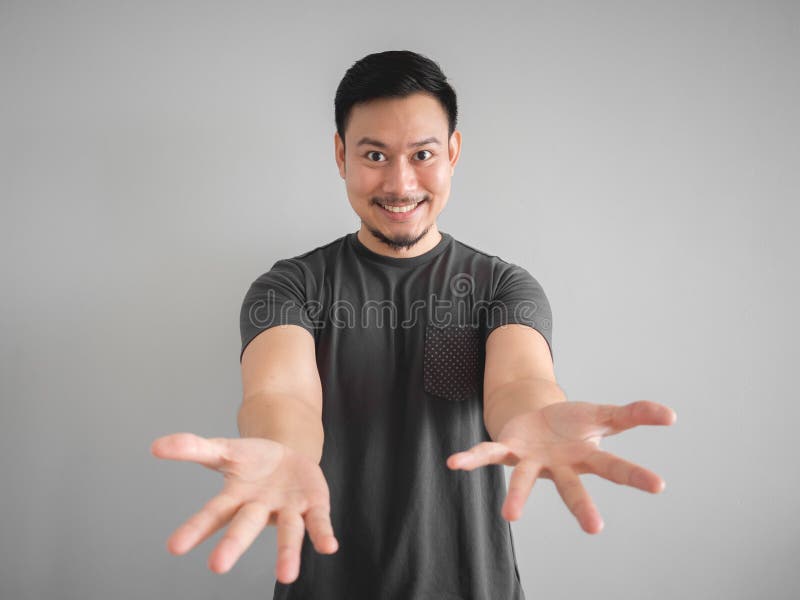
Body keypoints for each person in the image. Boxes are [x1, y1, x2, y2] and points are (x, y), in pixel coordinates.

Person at [151, 50, 677, 600]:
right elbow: (282, 395)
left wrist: (536, 418)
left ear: (452, 152)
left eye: (422, 154)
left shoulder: (502, 287)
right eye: (374, 154)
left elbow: (520, 383)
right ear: (341, 155)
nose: (401, 184)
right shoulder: (289, 288)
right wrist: (283, 448)